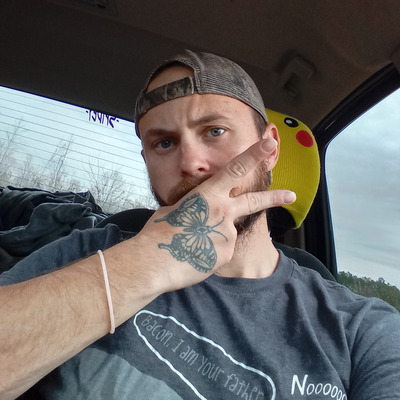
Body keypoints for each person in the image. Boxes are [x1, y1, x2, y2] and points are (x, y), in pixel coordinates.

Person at [0, 50, 399, 399]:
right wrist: (142, 265)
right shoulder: (89, 252)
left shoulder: (360, 329)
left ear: (271, 148)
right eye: (164, 143)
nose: (191, 163)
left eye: (215, 131)